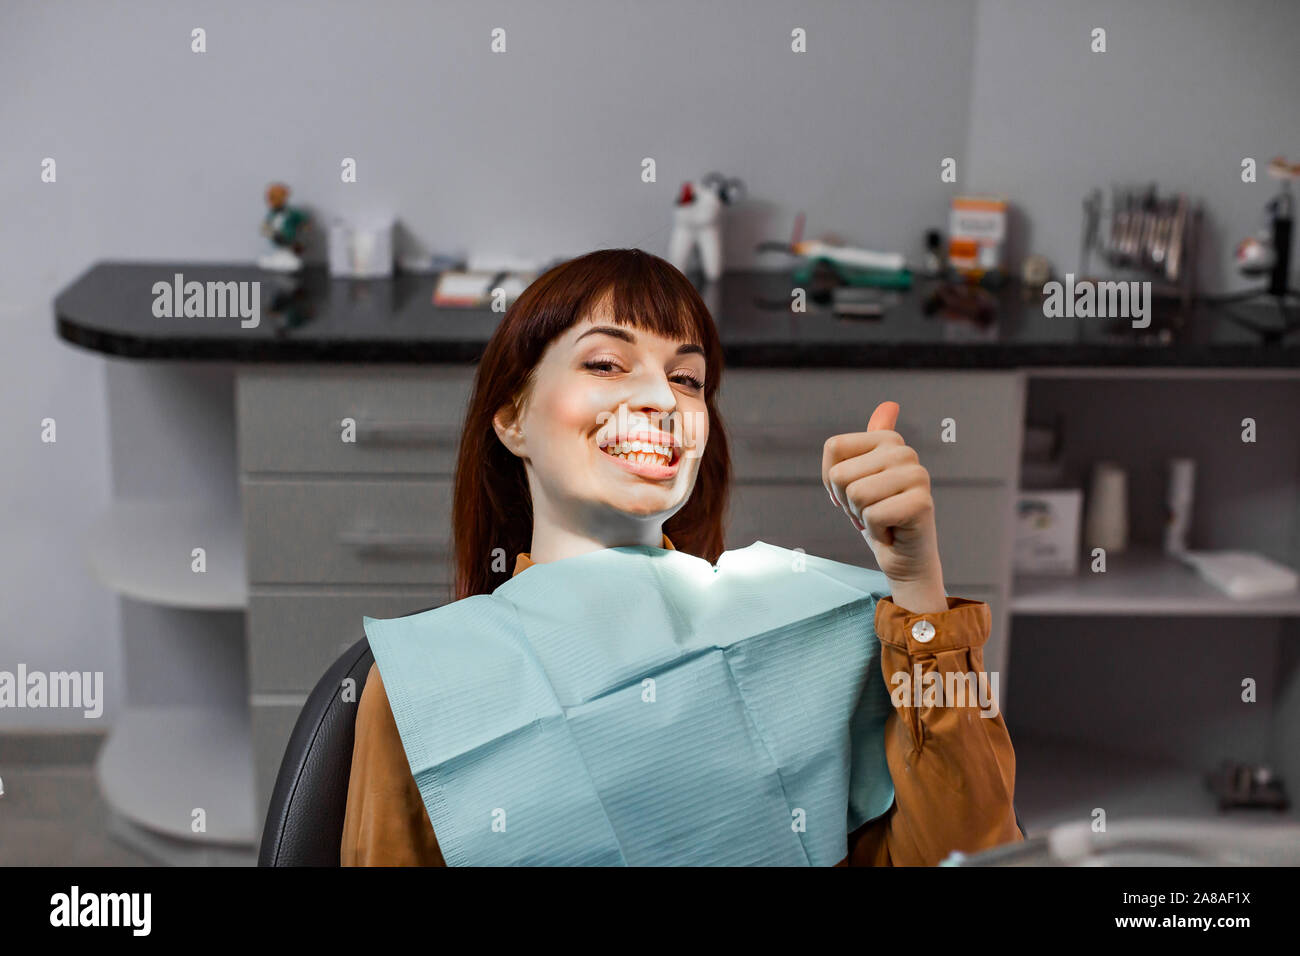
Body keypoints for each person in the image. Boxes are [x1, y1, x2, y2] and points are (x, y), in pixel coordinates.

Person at [341, 248, 1021, 865]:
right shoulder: (426, 685)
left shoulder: (830, 626)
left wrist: (920, 590)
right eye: (605, 363)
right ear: (513, 417)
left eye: (688, 379)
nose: (662, 399)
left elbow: (970, 852)